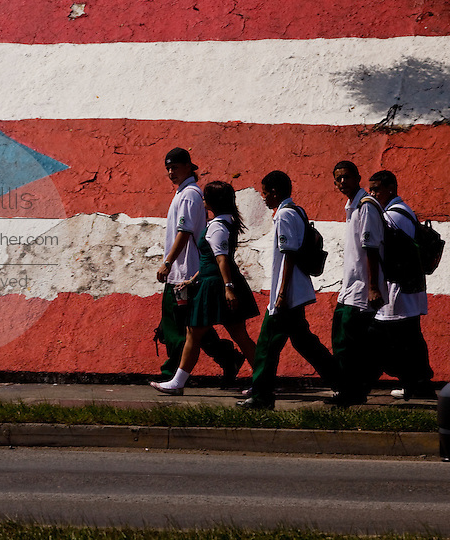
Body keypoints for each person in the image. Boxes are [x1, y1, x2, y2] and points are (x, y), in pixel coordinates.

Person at [237, 170, 342, 410]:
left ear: (274, 192)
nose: (263, 198)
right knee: (305, 343)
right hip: (297, 291)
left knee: (266, 345)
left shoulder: (284, 215)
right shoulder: (297, 211)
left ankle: (262, 396)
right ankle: (343, 383)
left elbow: (289, 255)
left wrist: (282, 293)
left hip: (287, 294)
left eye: (264, 193)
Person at [151, 181, 258, 394]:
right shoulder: (227, 221)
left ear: (211, 202)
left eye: (205, 197)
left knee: (194, 332)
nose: (202, 200)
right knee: (239, 335)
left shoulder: (217, 226)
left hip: (214, 286)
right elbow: (212, 260)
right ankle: (262, 378)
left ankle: (177, 382)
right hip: (214, 281)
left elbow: (221, 260)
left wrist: (228, 287)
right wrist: (192, 280)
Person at [366, 170, 435, 400]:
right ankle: (416, 384)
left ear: (391, 189)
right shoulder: (402, 211)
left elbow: (383, 251)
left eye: (377, 189)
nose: (373, 194)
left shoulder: (393, 216)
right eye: (371, 189)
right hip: (408, 287)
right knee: (409, 338)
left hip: (400, 288)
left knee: (394, 338)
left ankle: (415, 383)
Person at [329, 160, 387, 406]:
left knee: (351, 343)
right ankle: (349, 389)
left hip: (362, 289)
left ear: (358, 177)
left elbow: (371, 249)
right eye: (339, 179)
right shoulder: (351, 206)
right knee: (342, 340)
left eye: (347, 177)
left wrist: (373, 287)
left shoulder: (366, 207)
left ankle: (354, 391)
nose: (343, 182)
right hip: (349, 287)